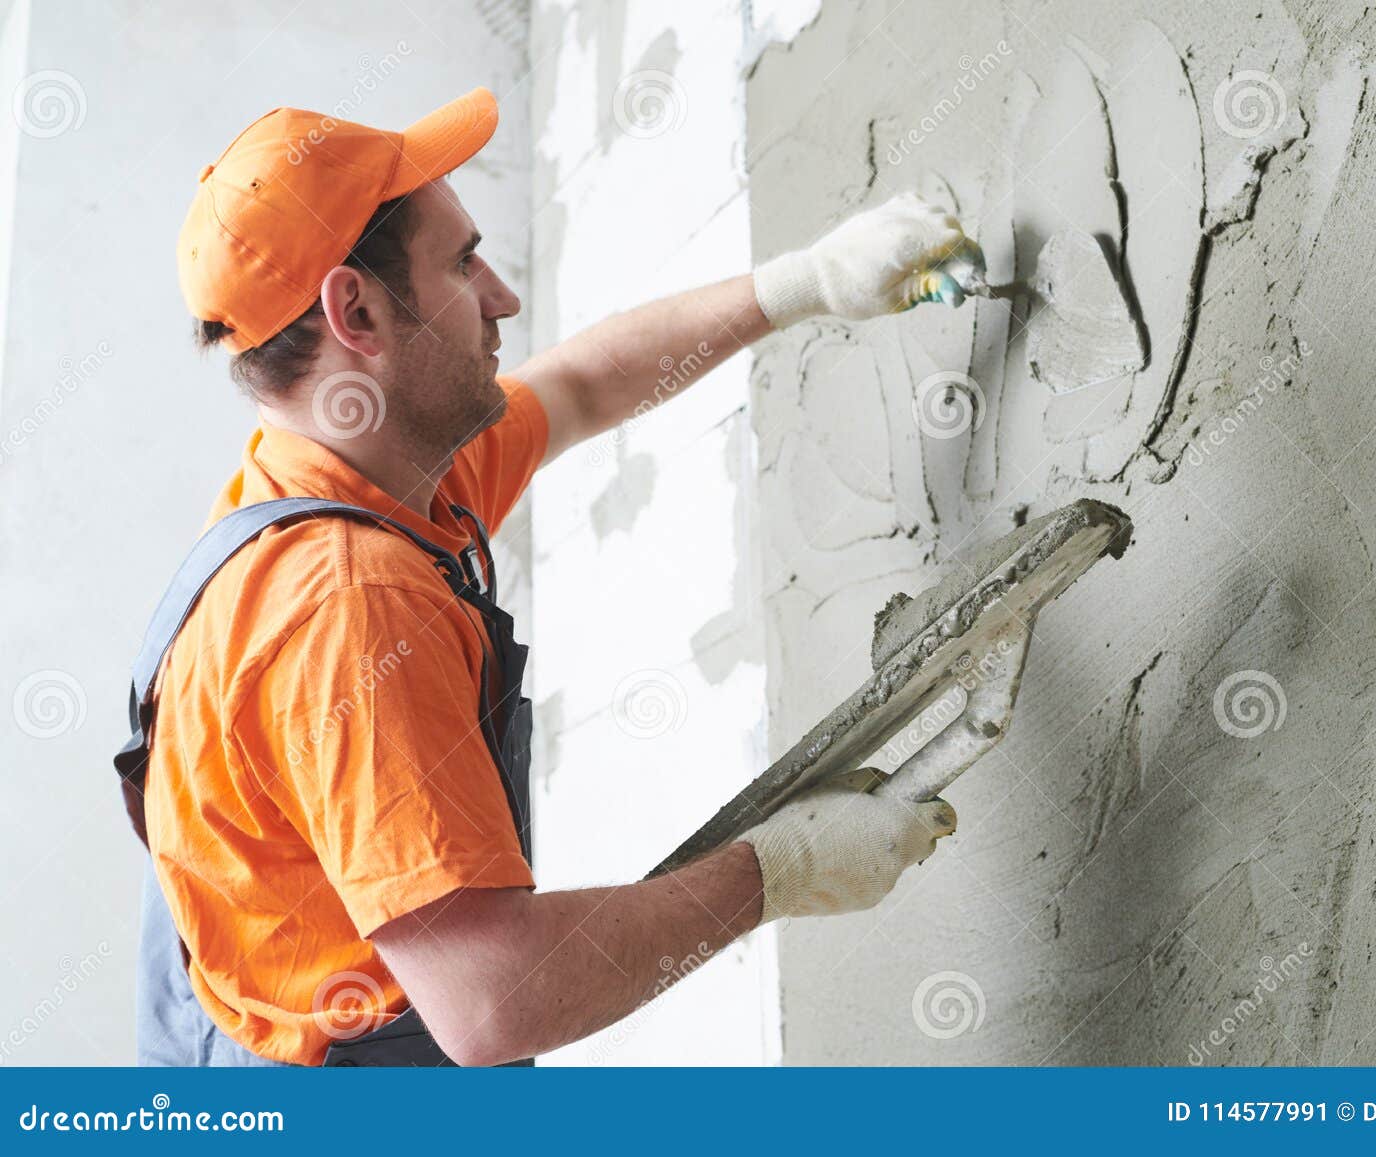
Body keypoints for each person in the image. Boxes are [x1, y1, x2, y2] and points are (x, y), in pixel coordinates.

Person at [119, 86, 964, 1067]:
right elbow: (490, 1002)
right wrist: (782, 871)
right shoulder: (346, 603)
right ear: (355, 308)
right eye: (461, 261)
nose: (501, 297)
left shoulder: (341, 468)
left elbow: (578, 385)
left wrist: (806, 281)